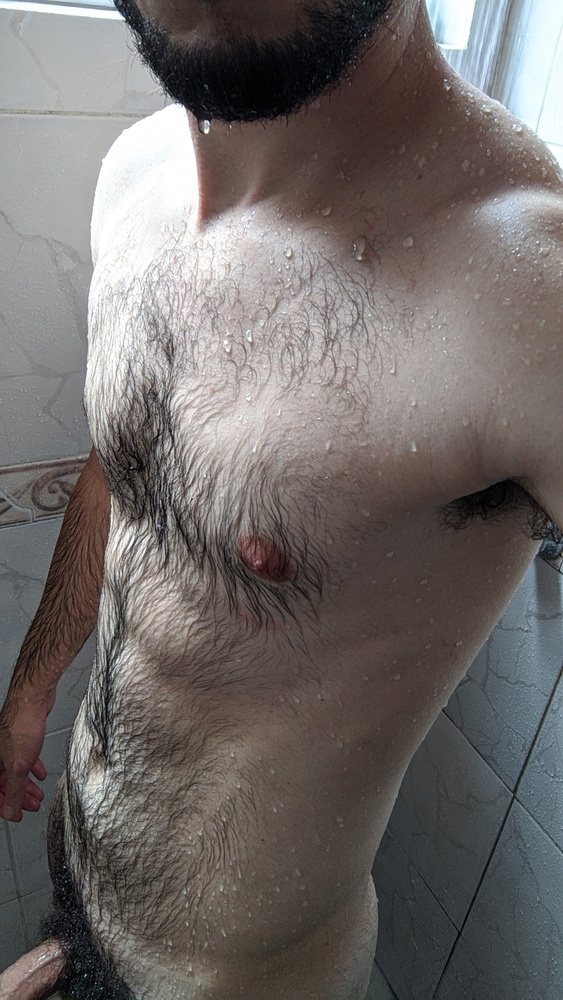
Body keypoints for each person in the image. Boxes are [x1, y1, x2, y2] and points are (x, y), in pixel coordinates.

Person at [0, 0, 562, 997]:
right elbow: (123, 467)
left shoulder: (529, 286)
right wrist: (35, 679)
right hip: (77, 888)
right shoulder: (135, 176)